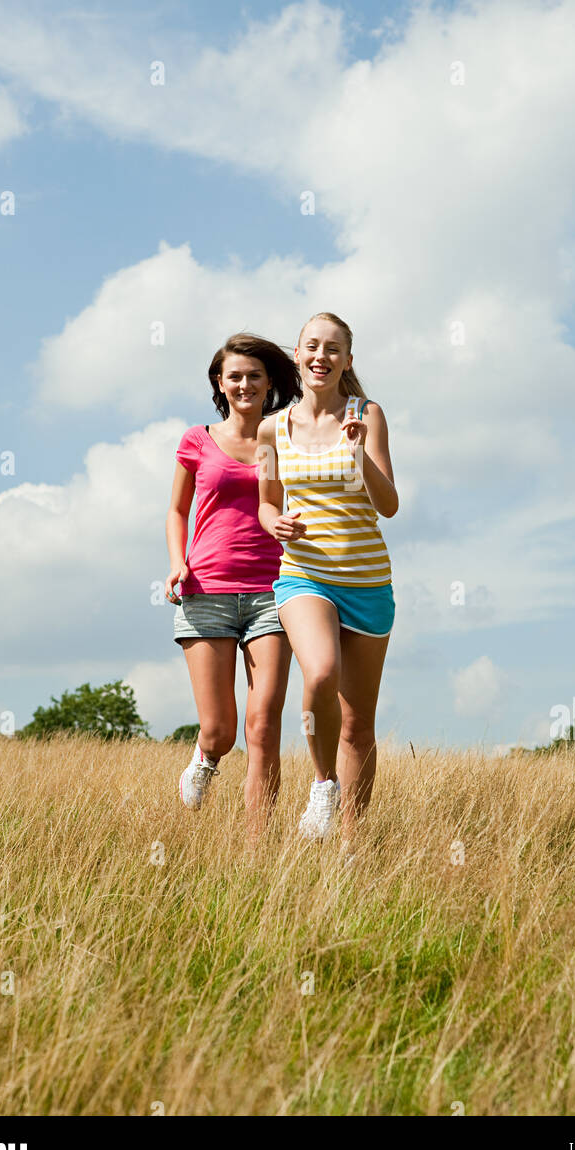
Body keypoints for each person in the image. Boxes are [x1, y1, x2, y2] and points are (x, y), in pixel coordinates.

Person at [257, 312, 398, 844]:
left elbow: (389, 506)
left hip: (367, 584)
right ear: (296, 355)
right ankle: (323, 784)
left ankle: (351, 847)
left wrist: (359, 452)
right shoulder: (273, 429)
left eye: (333, 349)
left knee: (359, 724)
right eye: (312, 346)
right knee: (319, 674)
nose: (321, 356)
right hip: (304, 577)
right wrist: (278, 525)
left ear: (348, 361)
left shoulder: (368, 414)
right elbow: (267, 506)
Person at [165, 333, 300, 840]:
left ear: (270, 385)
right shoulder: (196, 440)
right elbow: (177, 511)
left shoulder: (282, 440)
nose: (245, 384)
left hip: (275, 592)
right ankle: (205, 757)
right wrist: (177, 563)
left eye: (255, 376)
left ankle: (257, 843)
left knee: (264, 724)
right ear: (220, 384)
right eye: (235, 376)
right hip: (207, 592)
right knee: (221, 730)